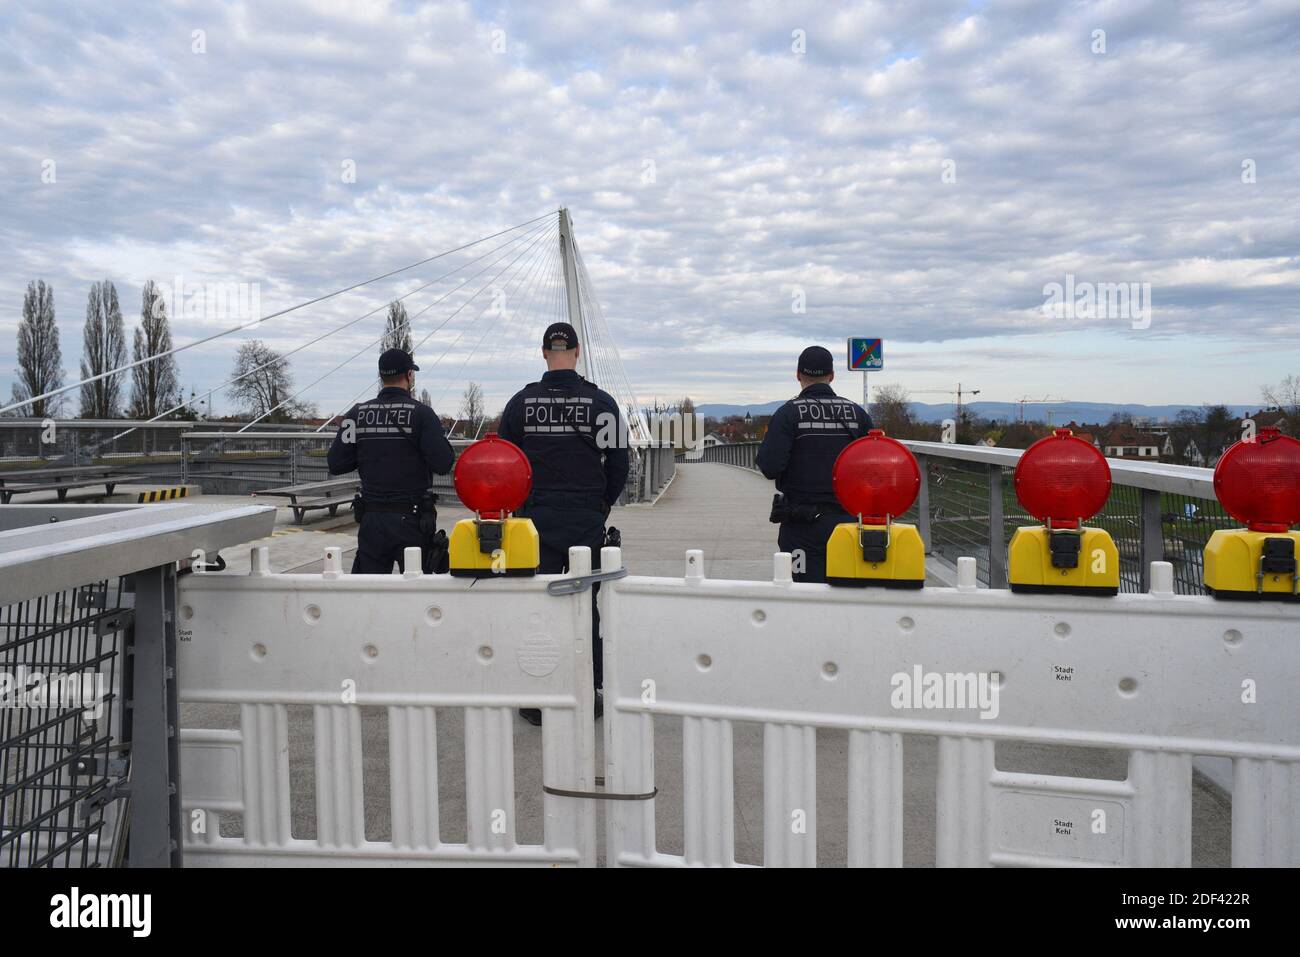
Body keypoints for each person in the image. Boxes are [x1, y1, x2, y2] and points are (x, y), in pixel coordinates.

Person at [498, 321, 629, 725]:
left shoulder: (521, 404)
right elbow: (620, 463)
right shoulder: (601, 403)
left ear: (543, 353)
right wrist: (601, 504)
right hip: (585, 515)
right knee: (583, 602)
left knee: (538, 601)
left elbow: (505, 463)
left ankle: (538, 695)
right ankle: (587, 692)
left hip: (533, 517)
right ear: (577, 351)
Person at [327, 348, 456, 574]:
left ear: (380, 376)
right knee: (420, 592)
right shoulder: (422, 414)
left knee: (369, 592)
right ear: (409, 375)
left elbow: (337, 463)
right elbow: (443, 463)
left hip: (372, 520)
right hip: (413, 520)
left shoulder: (357, 414)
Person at [755, 345, 874, 584]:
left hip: (801, 526)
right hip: (851, 523)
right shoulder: (858, 414)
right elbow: (873, 467)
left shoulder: (788, 414)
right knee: (851, 589)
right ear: (831, 376)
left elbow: (770, 467)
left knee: (803, 592)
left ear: (798, 375)